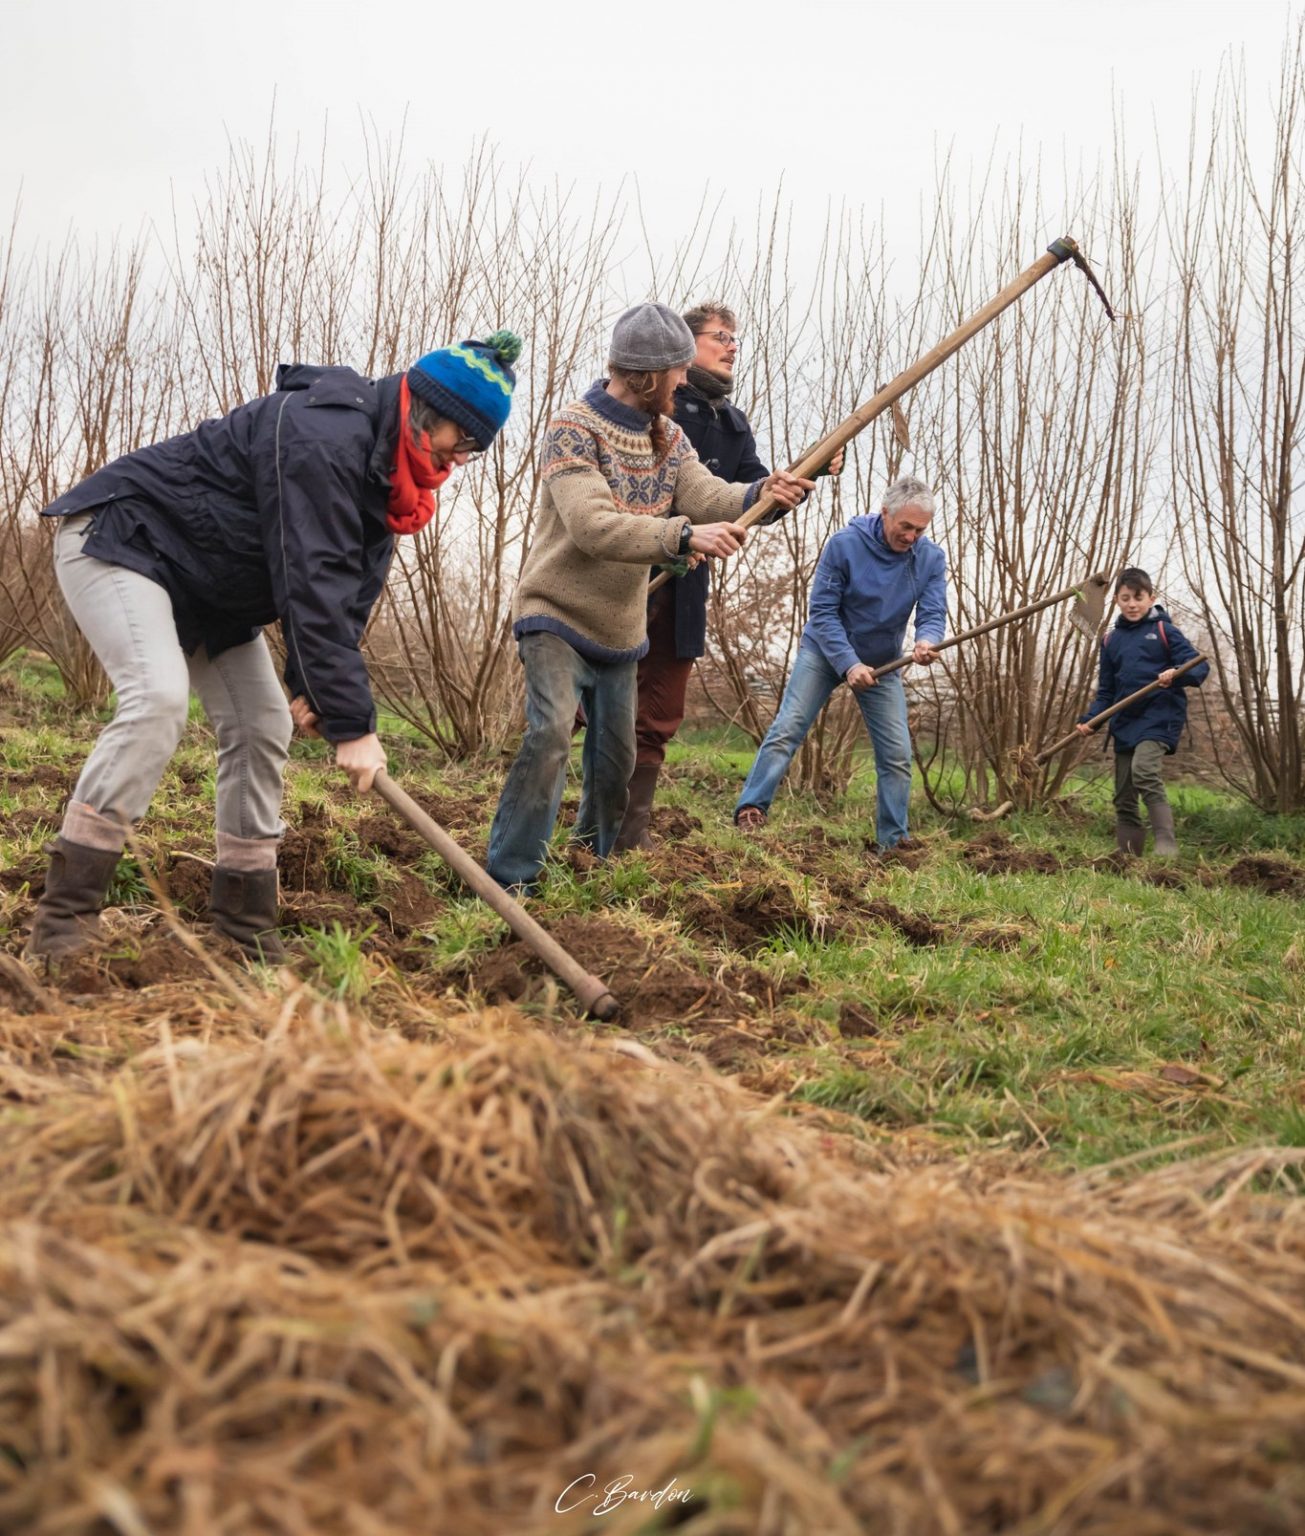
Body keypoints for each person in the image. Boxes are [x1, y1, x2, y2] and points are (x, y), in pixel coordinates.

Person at [25, 331, 521, 966]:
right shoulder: (324, 435)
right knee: (156, 699)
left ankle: (244, 927)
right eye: (464, 439)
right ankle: (64, 920)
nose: (460, 459)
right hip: (126, 538)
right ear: (429, 412)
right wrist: (353, 725)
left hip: (206, 585)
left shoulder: (388, 480)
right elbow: (310, 581)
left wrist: (312, 689)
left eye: (475, 450)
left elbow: (345, 599)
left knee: (263, 725)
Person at [485, 302, 811, 891]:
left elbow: (708, 494)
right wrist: (681, 535)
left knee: (615, 764)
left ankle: (593, 866)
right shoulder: (573, 428)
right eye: (678, 372)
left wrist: (764, 490)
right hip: (554, 614)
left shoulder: (669, 437)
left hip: (620, 627)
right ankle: (512, 877)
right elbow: (593, 526)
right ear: (646, 375)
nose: (685, 382)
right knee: (553, 734)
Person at [613, 300, 840, 851]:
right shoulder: (655, 413)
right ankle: (552, 813)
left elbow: (756, 496)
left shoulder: (733, 425)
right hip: (627, 577)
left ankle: (629, 834)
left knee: (659, 712)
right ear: (685, 349)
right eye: (721, 336)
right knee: (583, 703)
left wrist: (806, 473)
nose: (733, 346)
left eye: (735, 338)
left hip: (686, 587)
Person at [733, 475, 945, 848]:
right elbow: (823, 613)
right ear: (885, 514)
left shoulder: (930, 559)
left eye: (920, 530)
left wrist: (928, 642)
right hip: (826, 652)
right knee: (788, 729)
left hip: (883, 663)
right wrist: (848, 664)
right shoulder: (845, 545)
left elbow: (932, 612)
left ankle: (894, 844)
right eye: (905, 527)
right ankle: (752, 809)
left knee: (897, 755)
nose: (912, 536)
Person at [1075, 566, 1208, 856]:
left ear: (1151, 598)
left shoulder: (1164, 631)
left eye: (1138, 597)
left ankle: (1166, 846)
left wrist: (1175, 673)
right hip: (1125, 721)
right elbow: (1107, 692)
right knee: (1123, 793)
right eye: (1125, 598)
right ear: (1117, 601)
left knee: (1144, 771)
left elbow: (1198, 668)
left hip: (1159, 717)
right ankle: (1127, 854)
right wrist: (1090, 721)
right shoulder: (1110, 640)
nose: (1132, 604)